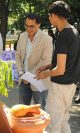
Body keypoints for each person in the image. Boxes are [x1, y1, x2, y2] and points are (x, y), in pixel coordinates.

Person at [36, 1, 80, 133]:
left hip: (60, 87)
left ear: (54, 15)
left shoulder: (63, 36)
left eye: (49, 15)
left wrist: (45, 74)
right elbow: (69, 59)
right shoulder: (74, 32)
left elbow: (61, 69)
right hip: (71, 85)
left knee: (52, 123)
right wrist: (48, 66)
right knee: (63, 121)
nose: (49, 18)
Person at [16, 13, 53, 110]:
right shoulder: (22, 36)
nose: (28, 29)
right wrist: (20, 72)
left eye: (31, 26)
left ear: (39, 24)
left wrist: (29, 75)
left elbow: (46, 61)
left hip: (39, 80)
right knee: (22, 111)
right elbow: (18, 56)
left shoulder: (47, 39)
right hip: (23, 80)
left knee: (40, 113)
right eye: (26, 26)